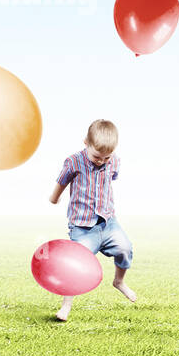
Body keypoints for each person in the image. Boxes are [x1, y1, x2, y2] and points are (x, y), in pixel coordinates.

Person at [47, 119, 135, 322]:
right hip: (82, 225)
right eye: (97, 156)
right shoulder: (73, 162)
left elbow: (109, 180)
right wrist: (54, 198)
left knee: (125, 248)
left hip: (107, 221)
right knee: (76, 264)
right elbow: (62, 181)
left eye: (106, 157)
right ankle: (66, 305)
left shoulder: (114, 161)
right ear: (86, 142)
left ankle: (119, 282)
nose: (101, 161)